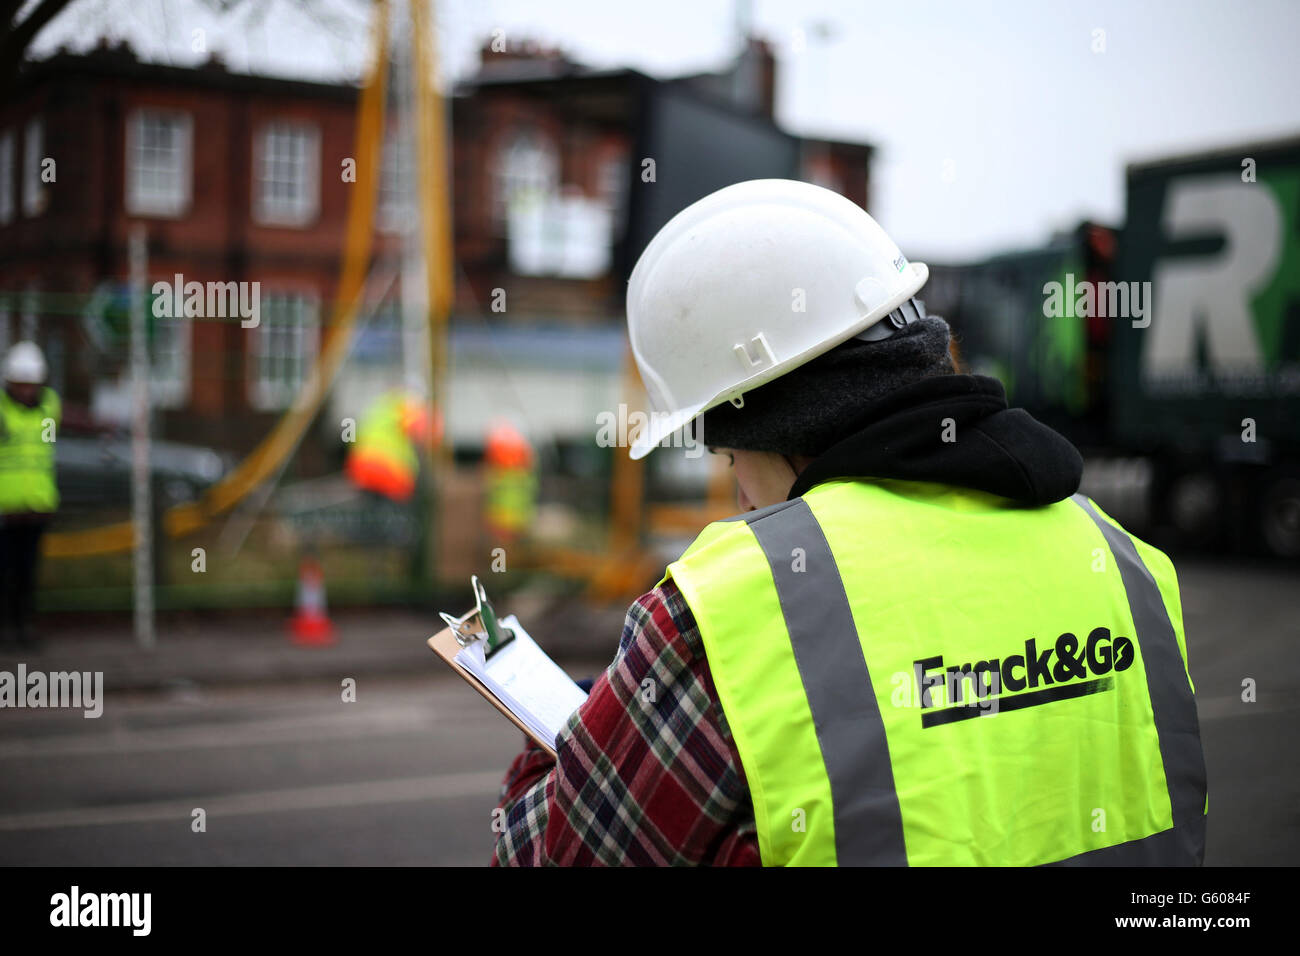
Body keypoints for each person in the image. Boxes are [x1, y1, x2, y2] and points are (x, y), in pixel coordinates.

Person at [491, 180, 1207, 866]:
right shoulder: (1123, 562)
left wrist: (569, 745)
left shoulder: (732, 606)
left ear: (780, 423)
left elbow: (557, 854)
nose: (739, 495)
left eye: (728, 453)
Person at [0, 342, 61, 649]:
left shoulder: (50, 405)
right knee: (4, 572)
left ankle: (24, 627)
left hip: (37, 506)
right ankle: (7, 628)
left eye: (31, 384)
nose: (26, 390)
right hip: (5, 508)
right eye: (20, 383)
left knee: (27, 573)